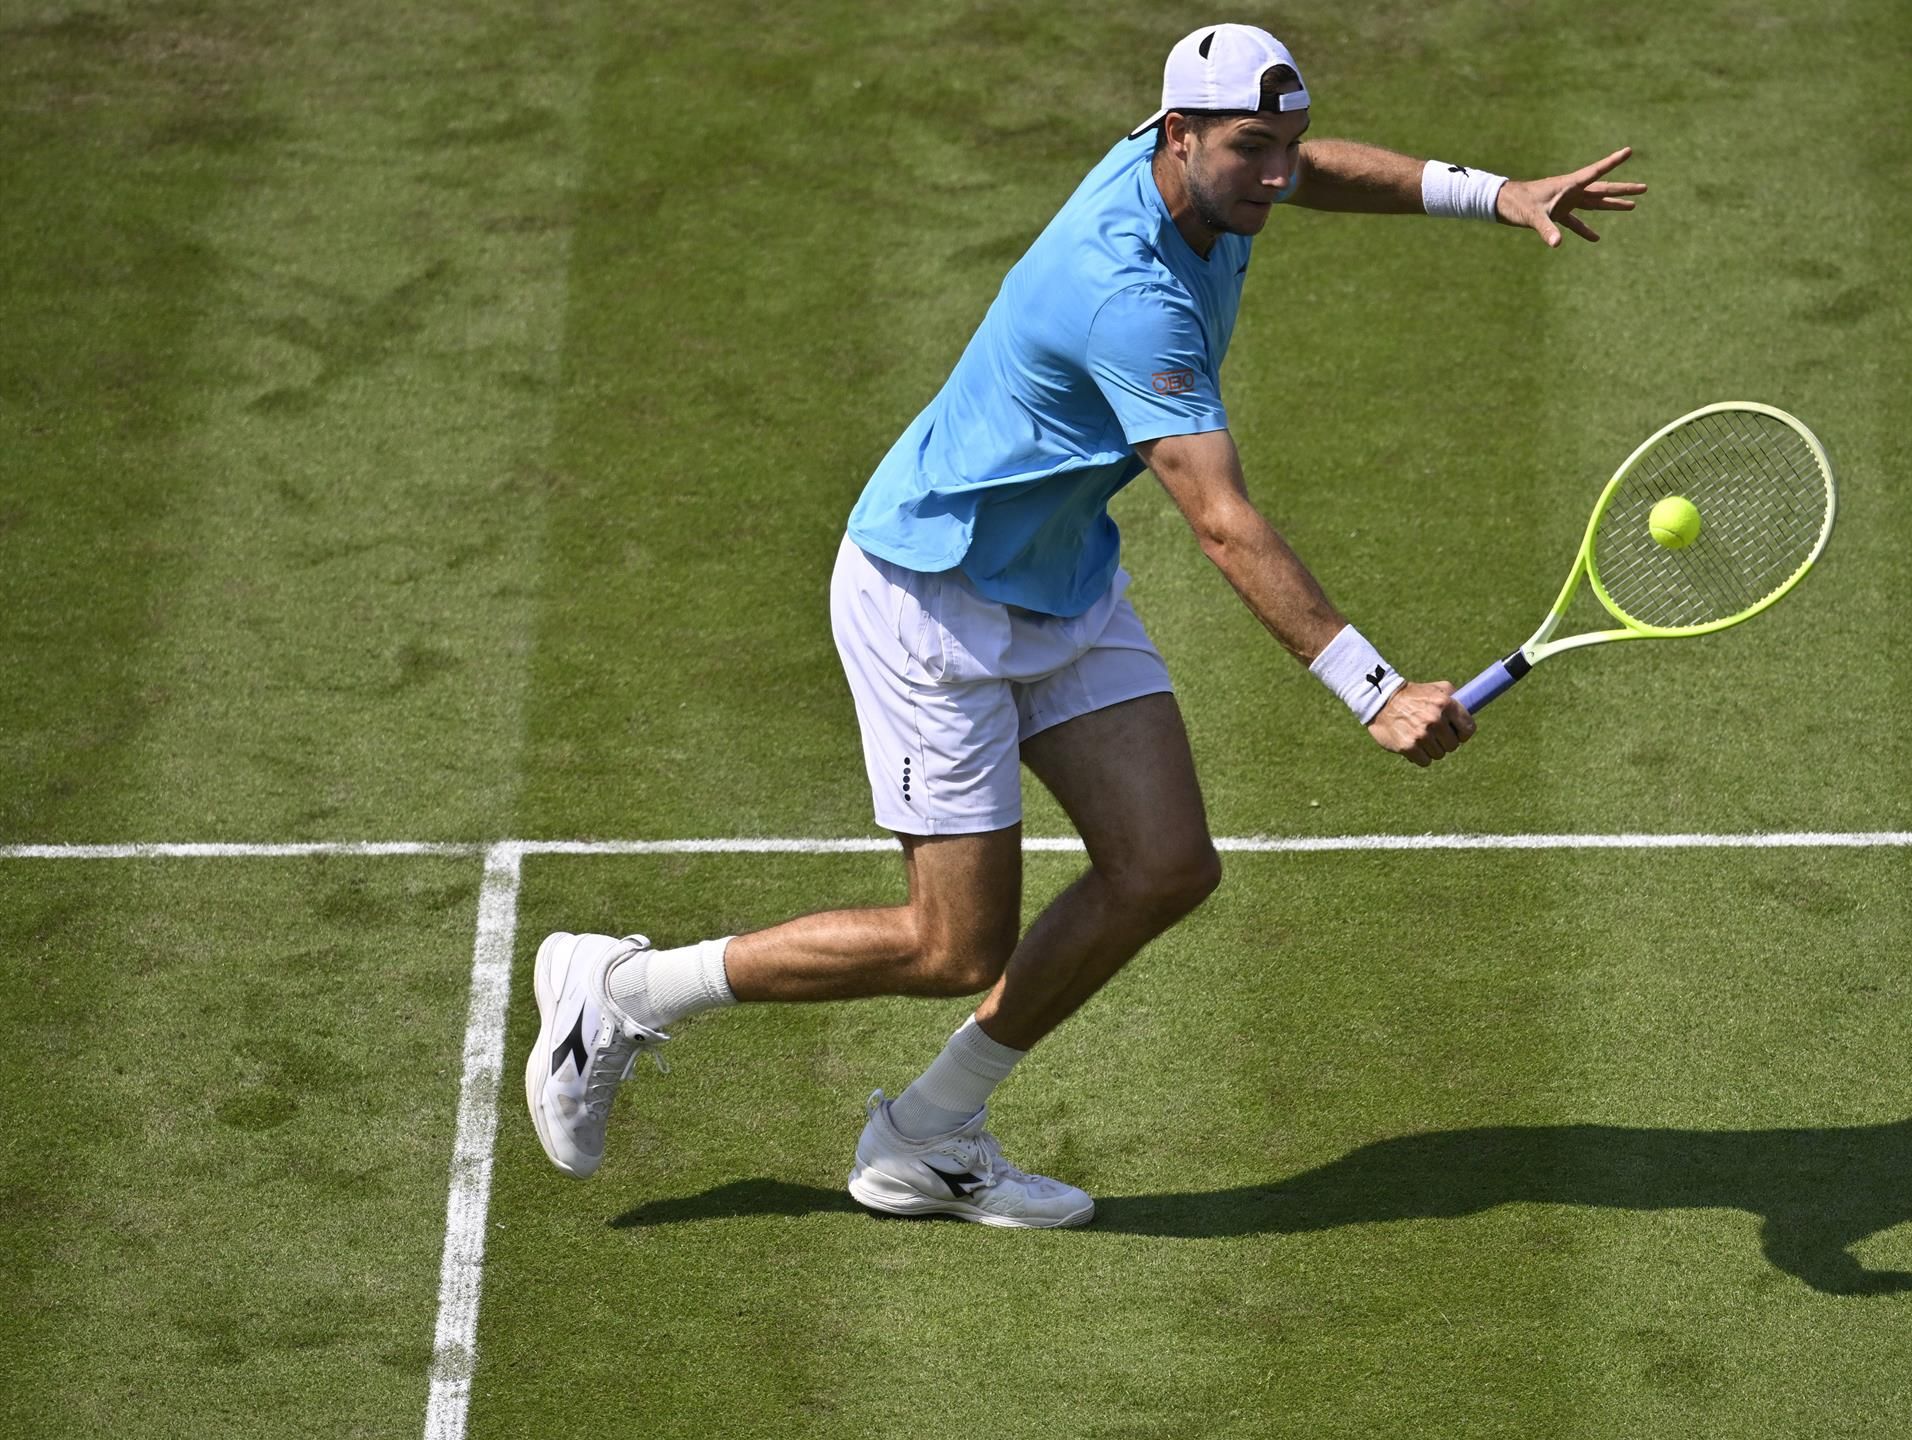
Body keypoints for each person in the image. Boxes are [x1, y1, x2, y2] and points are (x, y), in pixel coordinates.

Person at [523, 22, 1643, 1227]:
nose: (1277, 176)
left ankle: (927, 1136)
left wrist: (1492, 195)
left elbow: (1308, 172)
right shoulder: (1127, 295)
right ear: (1176, 137)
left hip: (1059, 575)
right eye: (1252, 152)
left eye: (1287, 147)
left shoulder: (1208, 172)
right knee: (950, 946)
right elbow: (1219, 520)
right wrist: (1373, 688)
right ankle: (629, 990)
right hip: (932, 600)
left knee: (1163, 867)